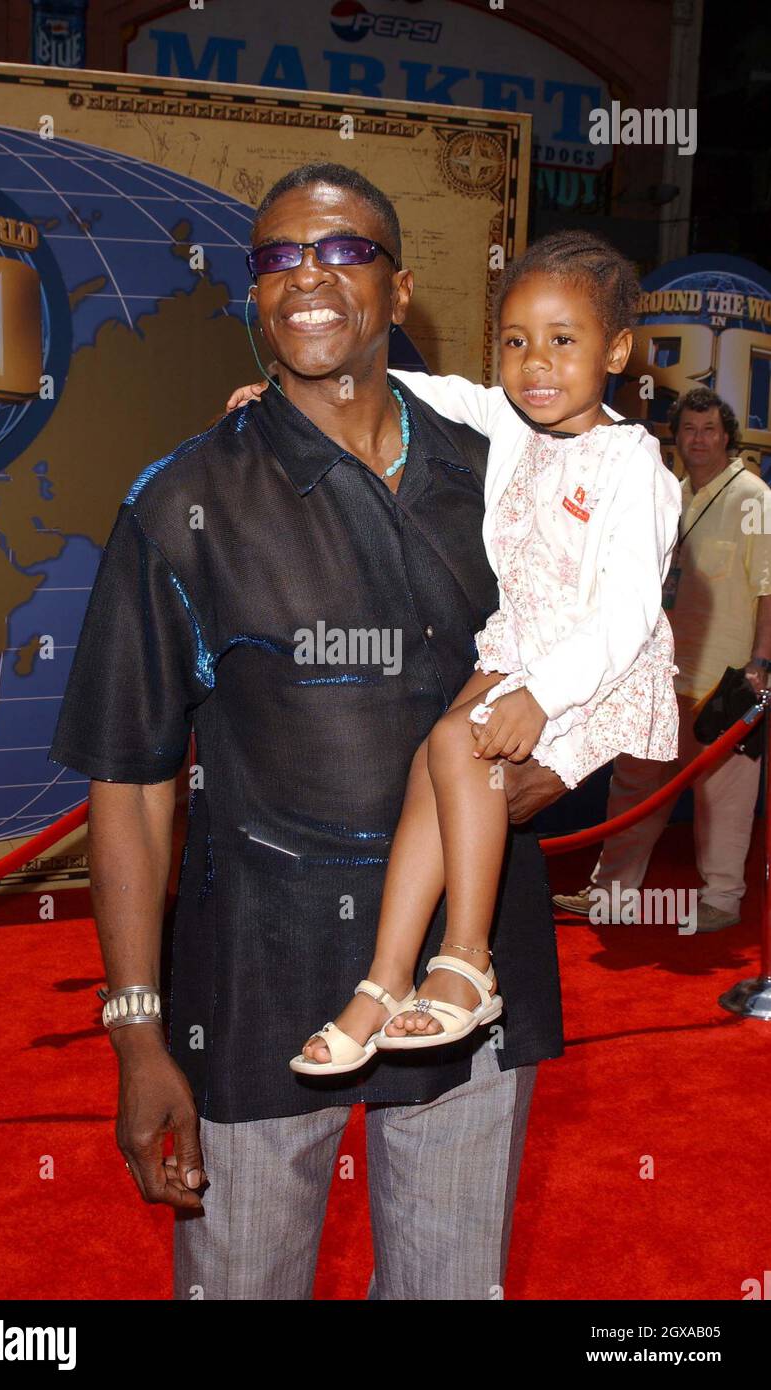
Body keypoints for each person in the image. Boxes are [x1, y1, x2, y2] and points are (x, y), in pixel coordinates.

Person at [48, 162, 566, 1301]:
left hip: (464, 972)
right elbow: (133, 786)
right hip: (253, 982)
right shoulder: (181, 502)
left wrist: (559, 767)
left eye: (338, 251)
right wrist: (138, 1032)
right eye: (276, 259)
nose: (305, 280)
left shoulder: (509, 477)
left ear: (399, 287)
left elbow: (604, 660)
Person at [228, 230, 682, 1069]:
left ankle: (468, 961)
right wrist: (300, 386)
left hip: (593, 673)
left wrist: (539, 695)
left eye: (563, 341)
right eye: (515, 343)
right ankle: (383, 981)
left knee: (451, 744)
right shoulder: (511, 423)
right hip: (519, 652)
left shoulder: (635, 465)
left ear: (617, 350)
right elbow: (423, 390)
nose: (535, 365)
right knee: (427, 771)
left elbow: (625, 614)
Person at [553, 387, 771, 933]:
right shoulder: (670, 494)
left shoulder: (754, 499)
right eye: (690, 430)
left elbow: (769, 590)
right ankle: (612, 895)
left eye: (710, 430)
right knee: (635, 787)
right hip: (658, 675)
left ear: (727, 437)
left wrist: (761, 662)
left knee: (724, 798)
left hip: (726, 677)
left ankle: (721, 899)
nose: (698, 440)